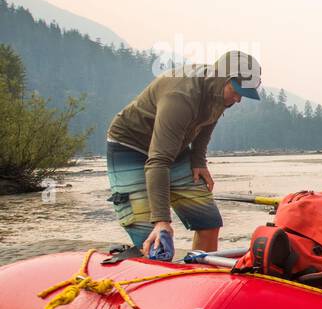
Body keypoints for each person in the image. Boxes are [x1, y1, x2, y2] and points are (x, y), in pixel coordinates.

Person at [105, 50, 262, 258]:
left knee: (209, 222)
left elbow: (208, 121)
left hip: (174, 147)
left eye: (243, 94)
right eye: (237, 91)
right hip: (130, 147)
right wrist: (161, 220)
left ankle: (202, 274)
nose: (238, 99)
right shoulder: (180, 97)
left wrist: (198, 160)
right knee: (155, 240)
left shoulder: (219, 93)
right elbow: (158, 161)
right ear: (223, 78)